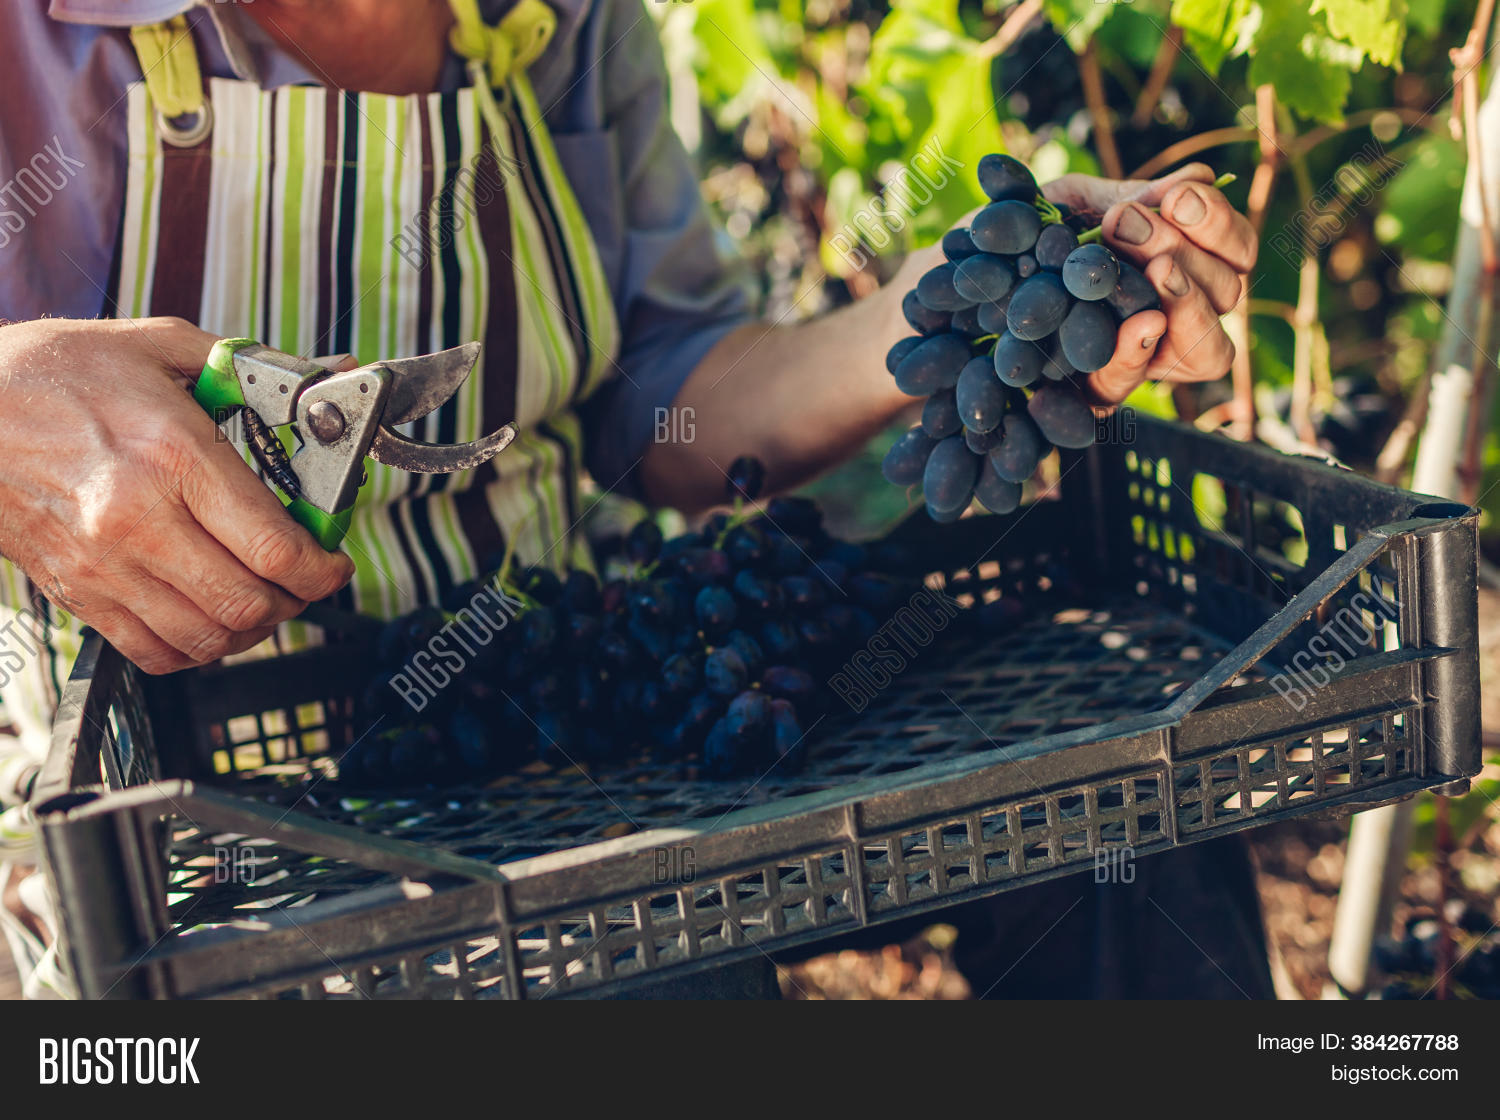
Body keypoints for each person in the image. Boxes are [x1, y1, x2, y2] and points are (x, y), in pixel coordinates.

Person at [0, 0, 1257, 998]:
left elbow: (662, 418)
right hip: (173, 788)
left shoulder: (563, 18)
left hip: (554, 690)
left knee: (1132, 844)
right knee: (656, 991)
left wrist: (935, 305)